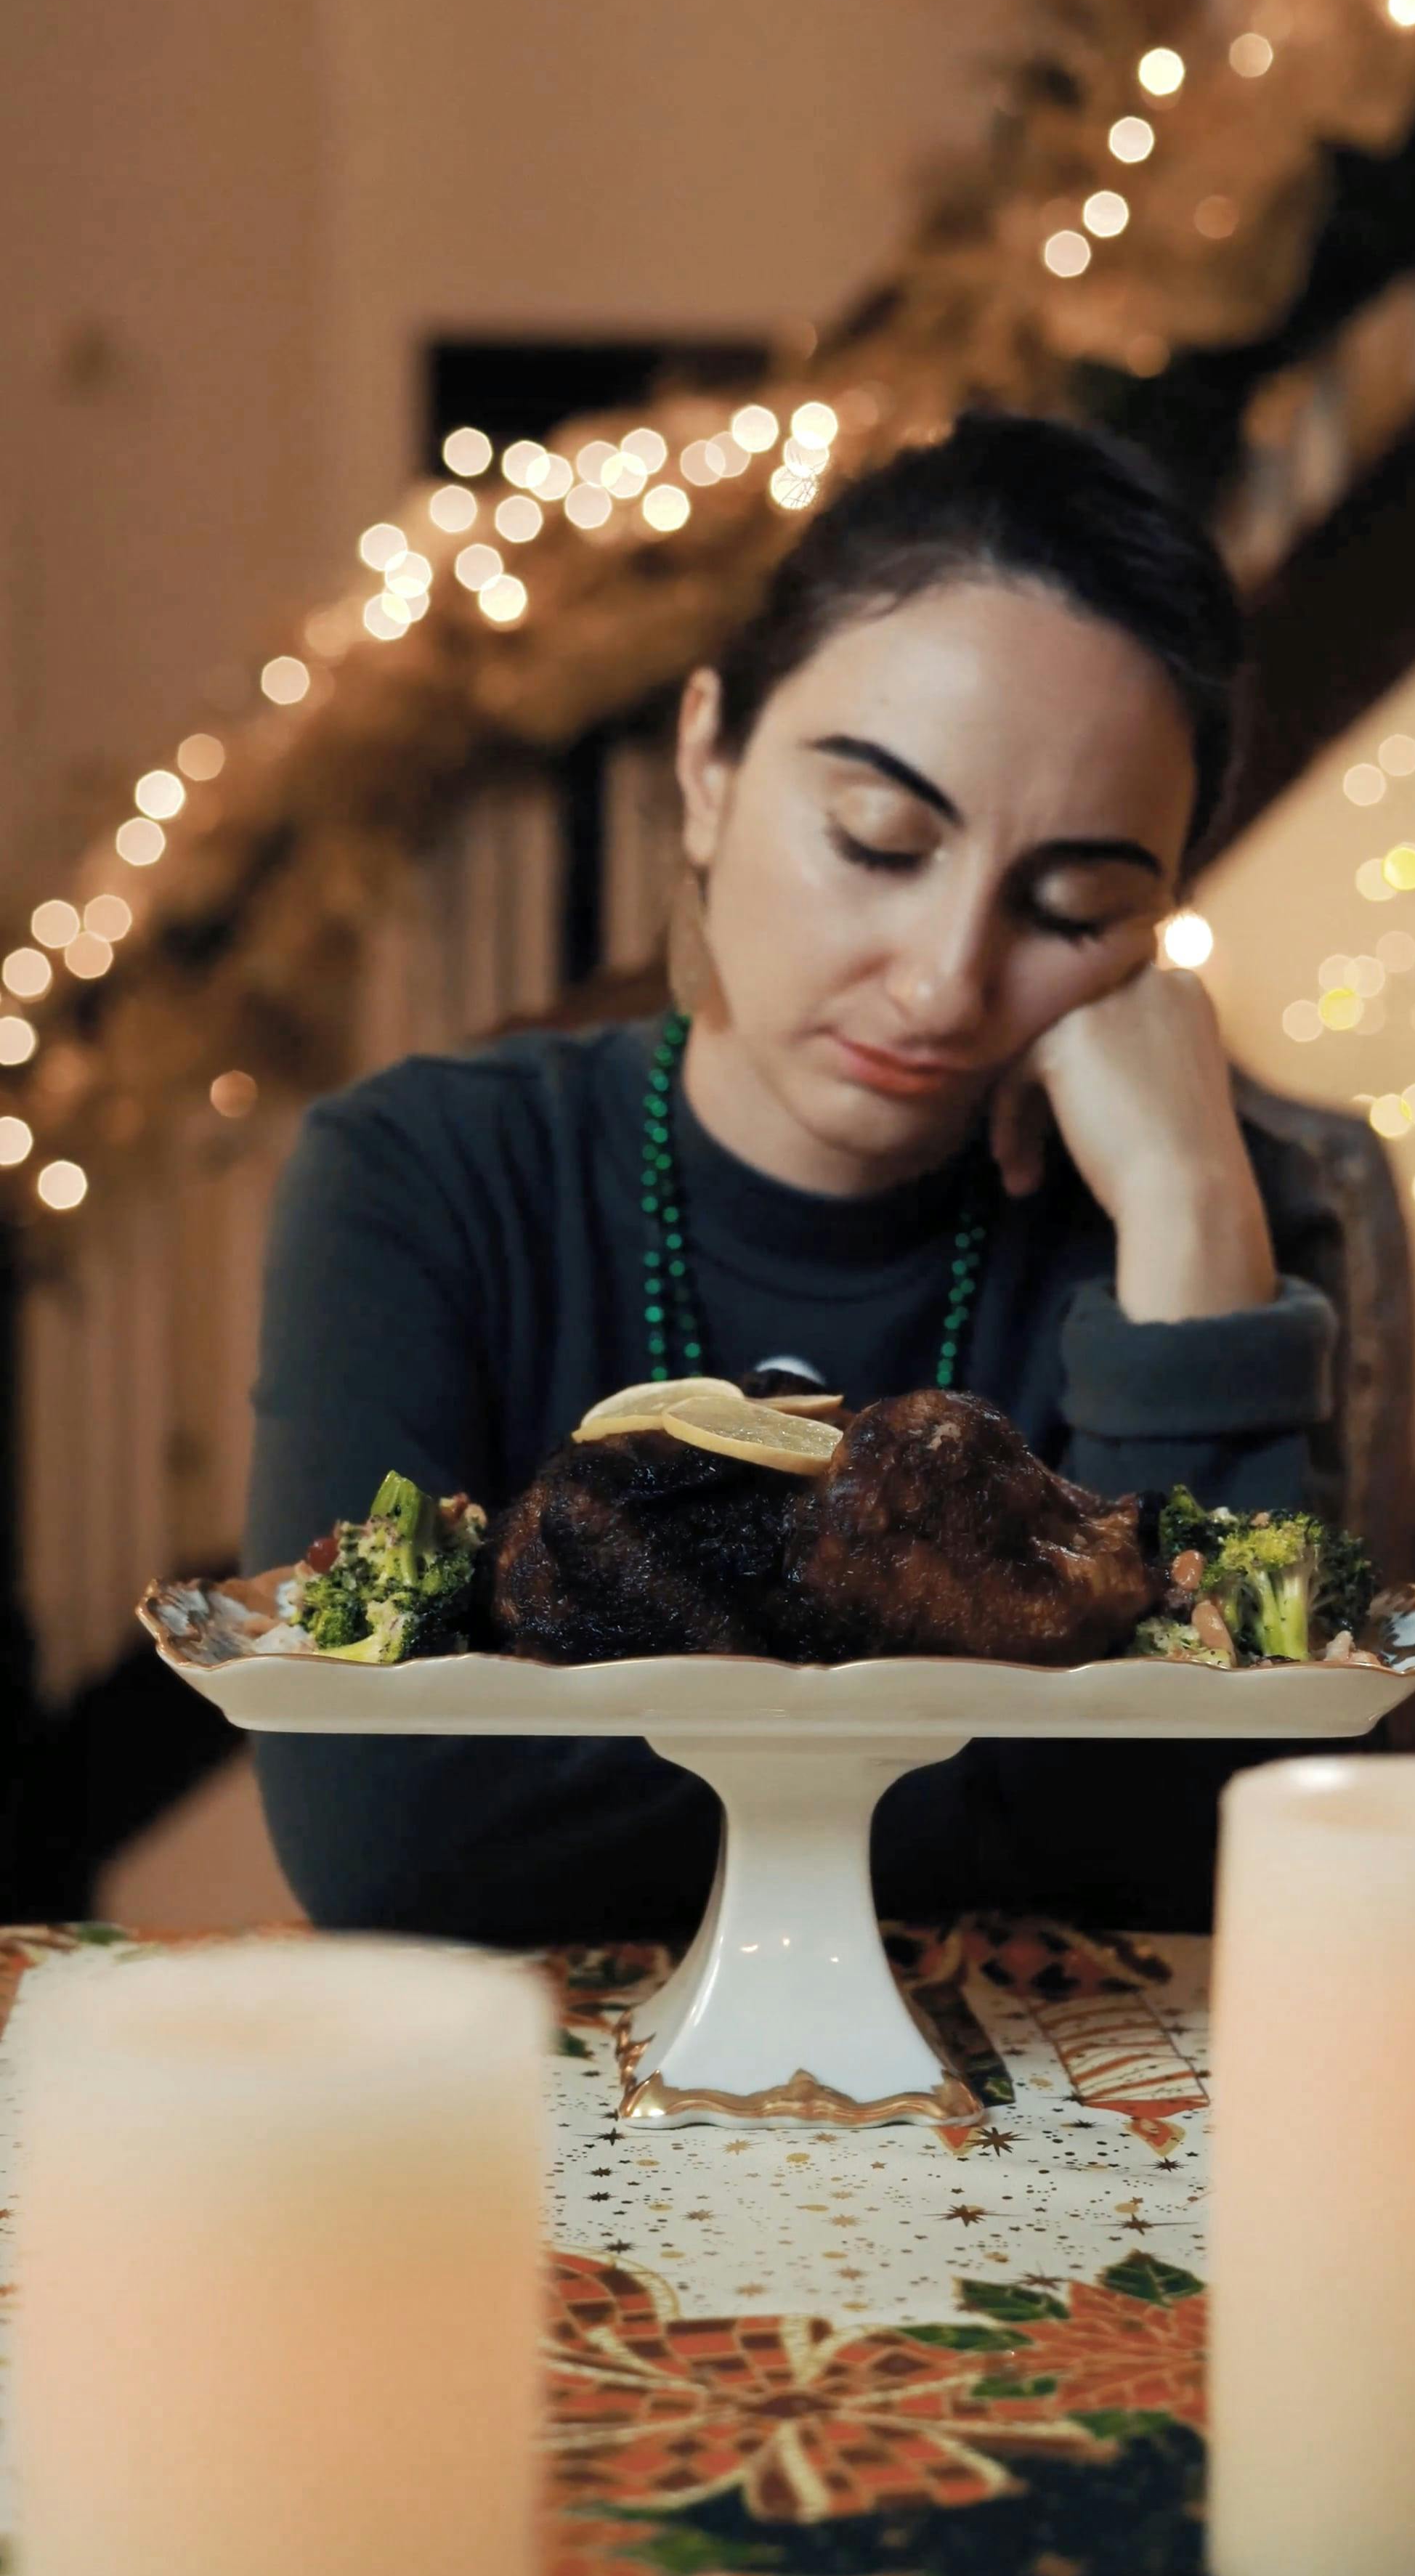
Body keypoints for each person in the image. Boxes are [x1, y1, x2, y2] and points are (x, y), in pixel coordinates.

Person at [246, 412, 1339, 1943]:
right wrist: (1007, 1786)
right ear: (708, 763)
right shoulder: (424, 1178)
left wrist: (1188, 1214)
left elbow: (1225, 1864)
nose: (947, 985)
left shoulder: (1216, 1221)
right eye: (879, 840)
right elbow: (394, 1840)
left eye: (1077, 905)